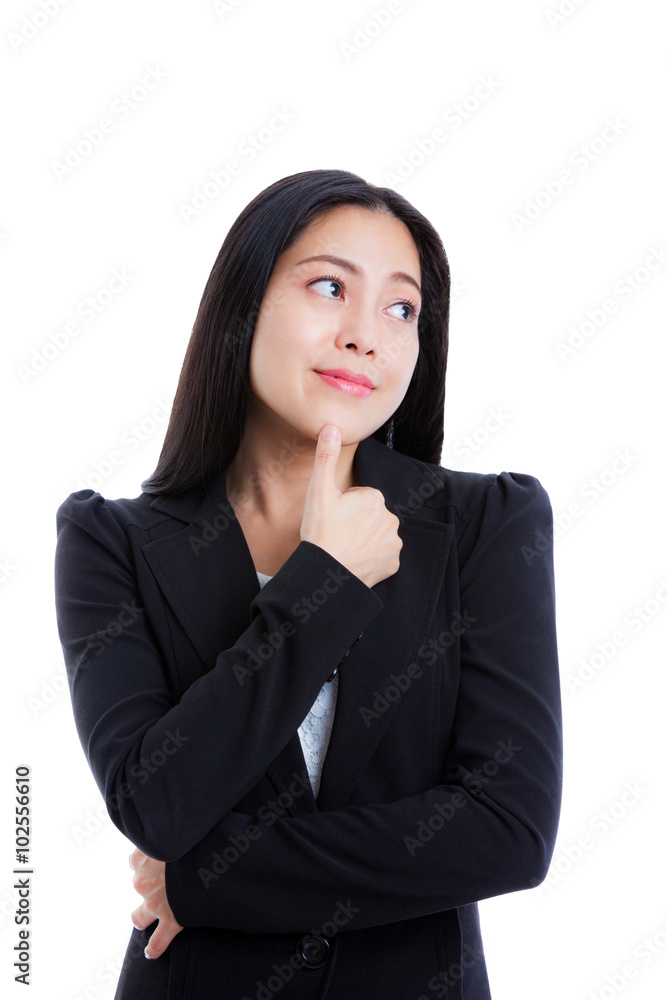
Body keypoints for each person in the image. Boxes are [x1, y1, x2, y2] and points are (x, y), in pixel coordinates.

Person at [54, 168, 563, 999]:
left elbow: (506, 831)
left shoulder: (487, 523)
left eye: (401, 309)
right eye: (330, 287)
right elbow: (157, 804)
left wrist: (206, 881)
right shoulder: (111, 541)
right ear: (243, 304)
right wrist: (327, 581)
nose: (367, 336)